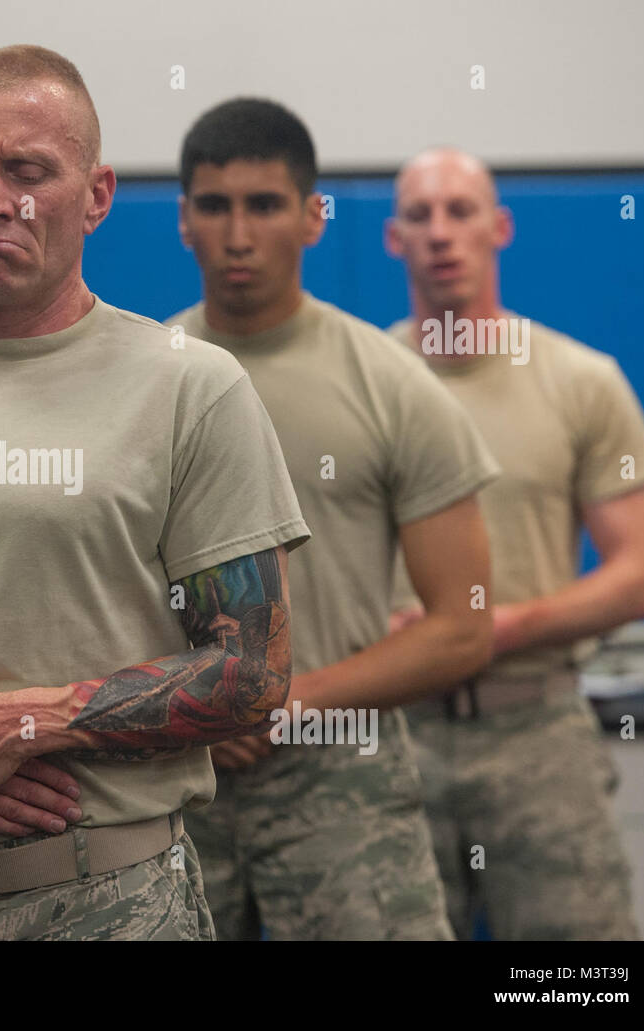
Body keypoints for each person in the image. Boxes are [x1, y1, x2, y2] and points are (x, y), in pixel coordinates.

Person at [0, 46, 310, 941]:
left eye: (30, 170)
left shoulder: (191, 388)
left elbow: (250, 670)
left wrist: (29, 723)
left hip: (110, 901)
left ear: (97, 194)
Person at [168, 99, 497, 940]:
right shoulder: (142, 384)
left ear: (314, 218)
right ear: (183, 221)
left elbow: (462, 627)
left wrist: (281, 704)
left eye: (266, 205)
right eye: (215, 205)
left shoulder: (394, 385)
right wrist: (195, 711)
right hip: (171, 796)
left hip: (345, 797)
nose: (238, 233)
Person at [384, 146, 644, 940]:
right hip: (392, 737)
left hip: (538, 733)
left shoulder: (583, 381)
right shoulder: (365, 384)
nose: (441, 232)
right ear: (392, 238)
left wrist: (494, 628)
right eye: (421, 214)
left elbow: (641, 574)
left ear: (500, 228)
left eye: (461, 210)